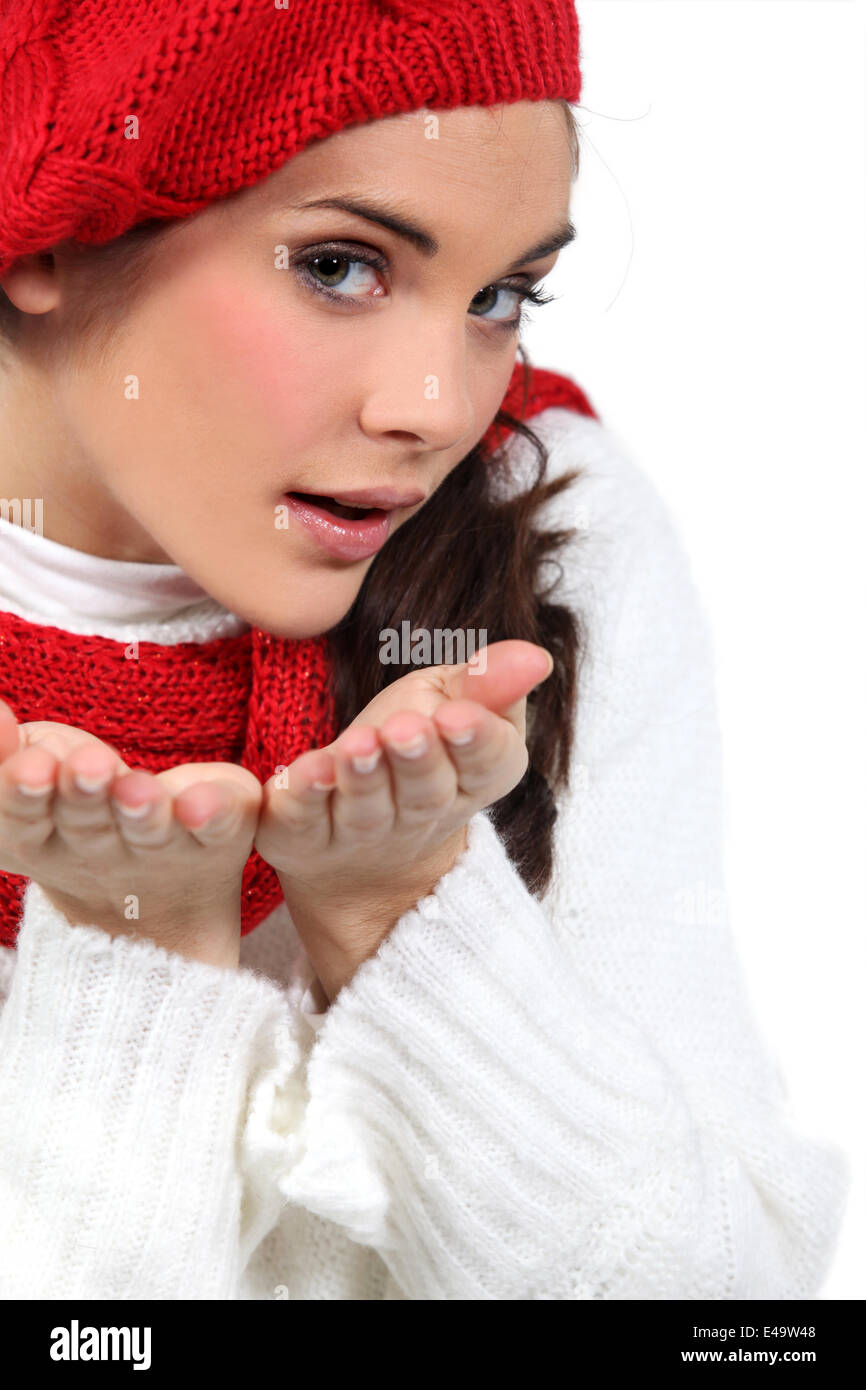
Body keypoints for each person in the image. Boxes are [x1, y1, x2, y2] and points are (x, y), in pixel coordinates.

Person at [0, 0, 848, 1300]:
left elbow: (729, 1310)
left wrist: (407, 913)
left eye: (499, 296)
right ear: (52, 232)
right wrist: (137, 948)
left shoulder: (548, 517)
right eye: (337, 266)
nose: (439, 407)